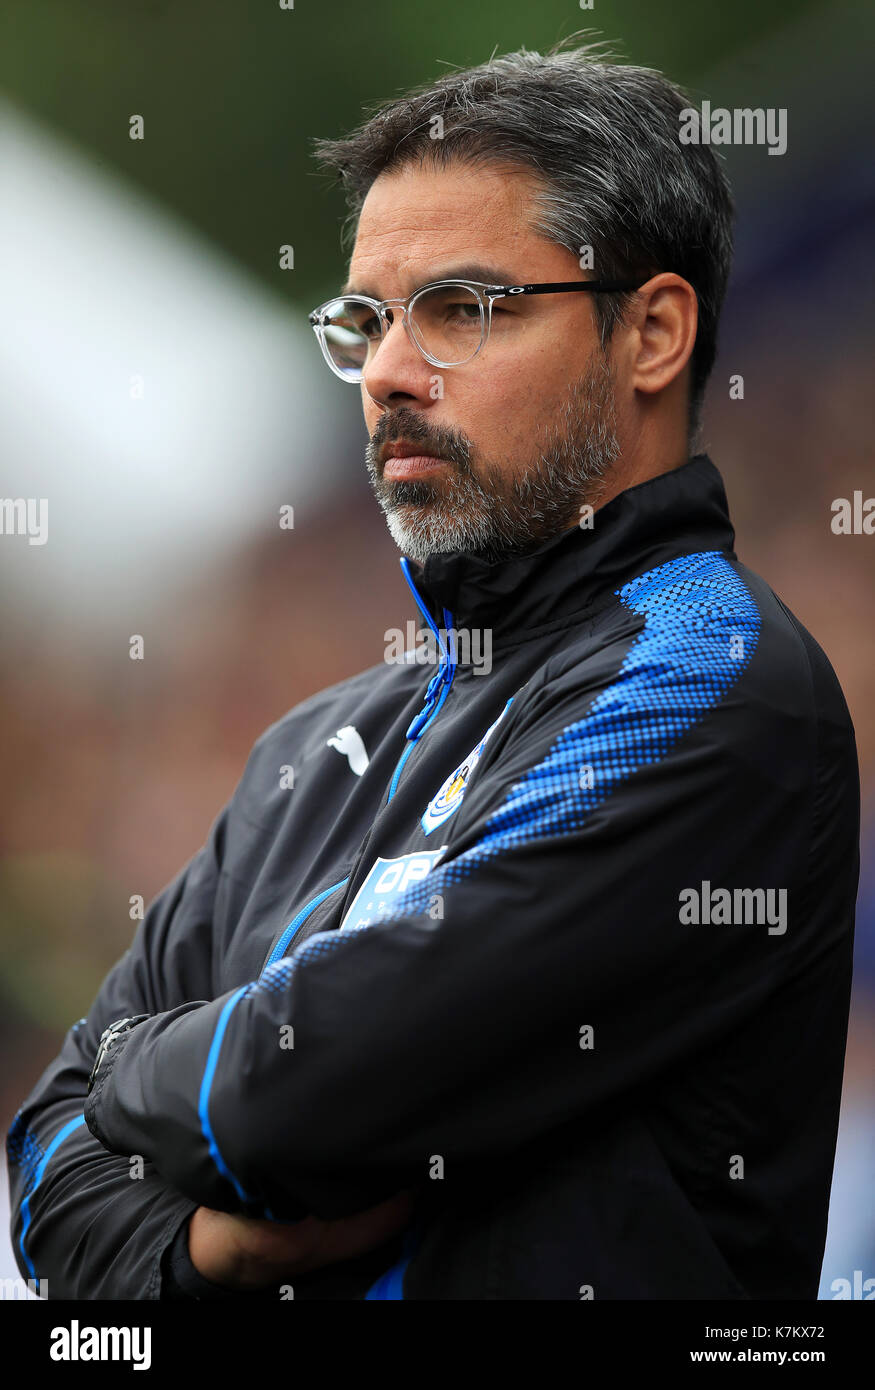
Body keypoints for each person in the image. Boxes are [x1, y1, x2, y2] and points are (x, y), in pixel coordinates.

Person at [7, 36, 858, 1301]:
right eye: (364, 321)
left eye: (461, 309)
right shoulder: (311, 747)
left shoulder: (710, 681)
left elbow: (307, 1094)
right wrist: (196, 1256)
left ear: (652, 332)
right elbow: (41, 1163)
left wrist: (133, 1057)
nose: (392, 373)